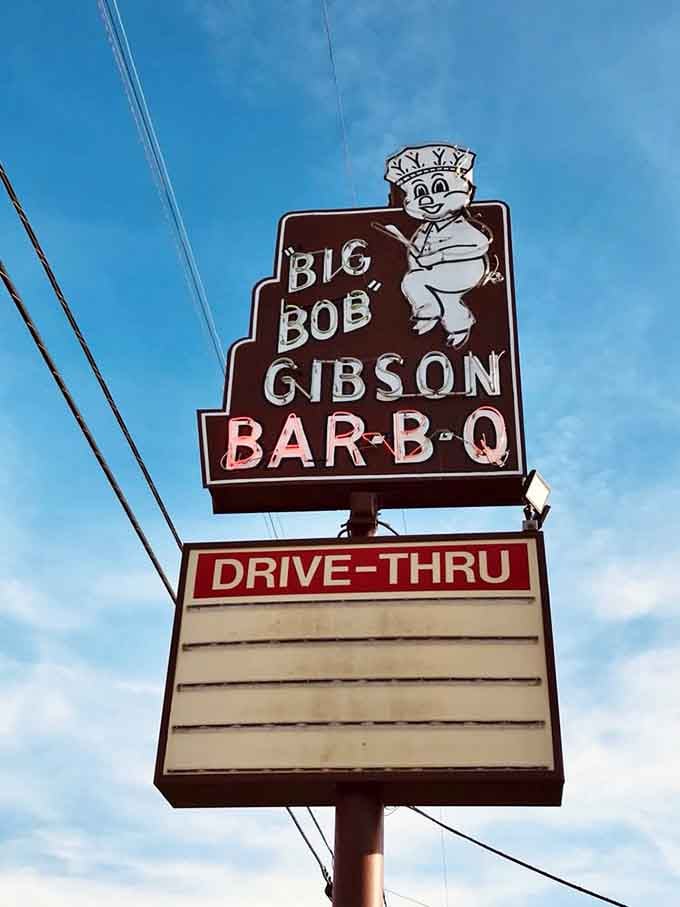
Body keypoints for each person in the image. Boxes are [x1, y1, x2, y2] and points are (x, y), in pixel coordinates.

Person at [383, 143, 493, 349]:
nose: (427, 198)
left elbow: (479, 245)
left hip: (466, 269)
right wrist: (418, 260)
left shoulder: (461, 225)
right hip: (438, 273)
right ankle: (459, 327)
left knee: (413, 281)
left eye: (440, 187)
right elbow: (414, 250)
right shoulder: (424, 230)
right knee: (444, 296)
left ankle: (428, 312)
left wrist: (438, 257)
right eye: (419, 192)